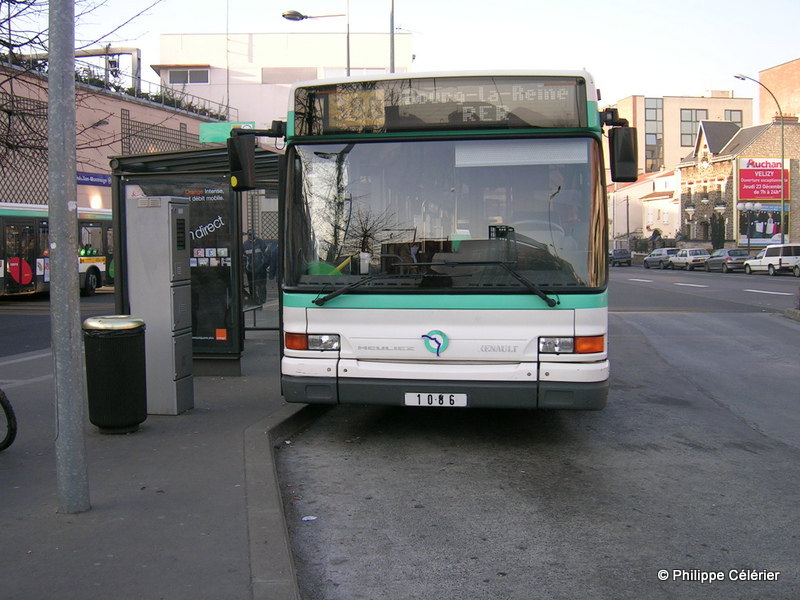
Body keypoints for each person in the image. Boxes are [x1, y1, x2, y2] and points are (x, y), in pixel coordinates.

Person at [243, 231, 268, 304]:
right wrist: (246, 267)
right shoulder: (245, 244)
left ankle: (262, 300)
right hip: (250, 270)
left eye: (251, 234)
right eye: (249, 234)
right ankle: (254, 301)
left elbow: (267, 254)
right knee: (252, 286)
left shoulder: (260, 242)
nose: (250, 236)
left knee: (262, 285)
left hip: (261, 269)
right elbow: (243, 257)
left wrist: (264, 265)